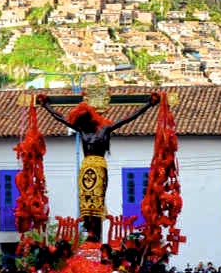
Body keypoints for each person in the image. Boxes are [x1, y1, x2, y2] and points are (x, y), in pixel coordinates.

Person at [37, 93, 159, 240]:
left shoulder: (105, 129)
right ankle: (89, 229)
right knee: (85, 198)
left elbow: (128, 118)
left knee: (97, 198)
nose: (81, 123)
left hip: (99, 167)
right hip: (86, 167)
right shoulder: (81, 130)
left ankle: (95, 230)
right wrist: (46, 106)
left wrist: (148, 105)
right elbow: (61, 119)